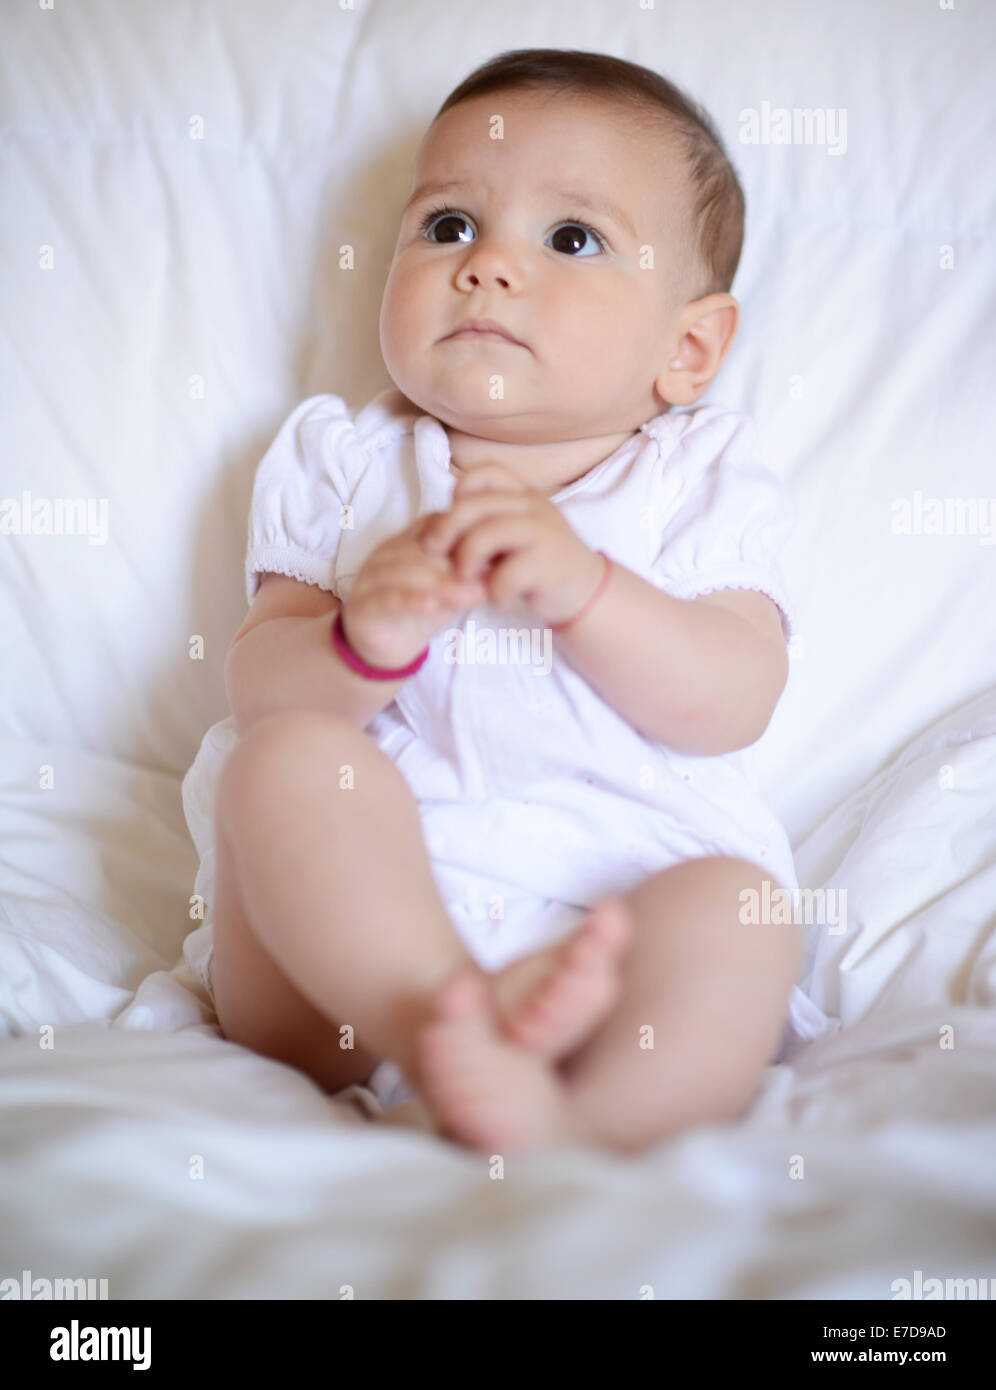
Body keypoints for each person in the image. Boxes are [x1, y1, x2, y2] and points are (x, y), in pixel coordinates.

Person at [181, 49, 837, 1156]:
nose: (485, 266)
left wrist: (586, 589)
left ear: (688, 348)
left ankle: (566, 1127)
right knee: (281, 763)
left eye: (570, 238)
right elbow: (258, 682)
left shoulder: (696, 480)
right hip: (339, 962)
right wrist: (360, 641)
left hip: (615, 928)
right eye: (446, 227)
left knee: (741, 909)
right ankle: (448, 1024)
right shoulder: (344, 462)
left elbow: (731, 697)